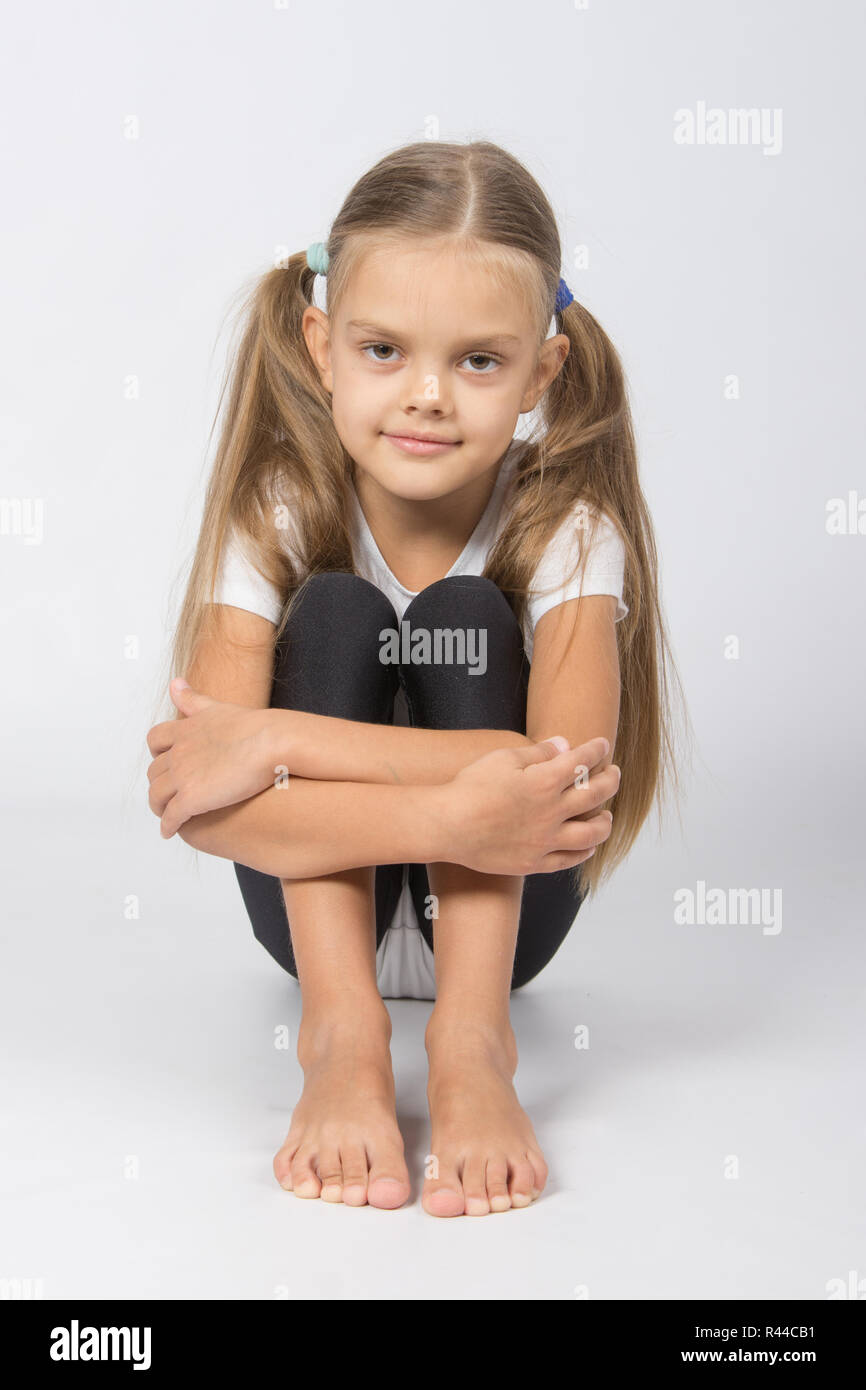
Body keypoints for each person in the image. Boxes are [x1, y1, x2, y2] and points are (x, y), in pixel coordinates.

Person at [145, 139, 686, 1218]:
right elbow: (197, 804)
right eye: (384, 349)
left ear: (542, 372)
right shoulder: (282, 513)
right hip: (308, 917)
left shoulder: (567, 532)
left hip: (505, 914)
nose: (427, 396)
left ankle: (470, 1043)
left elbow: (563, 794)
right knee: (338, 607)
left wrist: (276, 742)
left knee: (465, 618)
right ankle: (342, 1036)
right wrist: (453, 806)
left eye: (478, 361)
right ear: (320, 345)